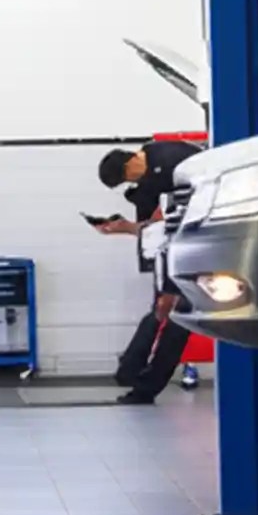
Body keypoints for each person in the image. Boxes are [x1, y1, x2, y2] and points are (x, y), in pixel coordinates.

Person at [96, 140, 201, 404]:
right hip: (175, 251)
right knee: (164, 311)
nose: (130, 183)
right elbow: (151, 226)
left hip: (196, 246)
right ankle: (133, 375)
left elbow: (192, 205)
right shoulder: (146, 187)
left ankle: (141, 382)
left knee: (174, 315)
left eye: (126, 178)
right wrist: (125, 227)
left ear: (131, 162)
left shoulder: (173, 157)